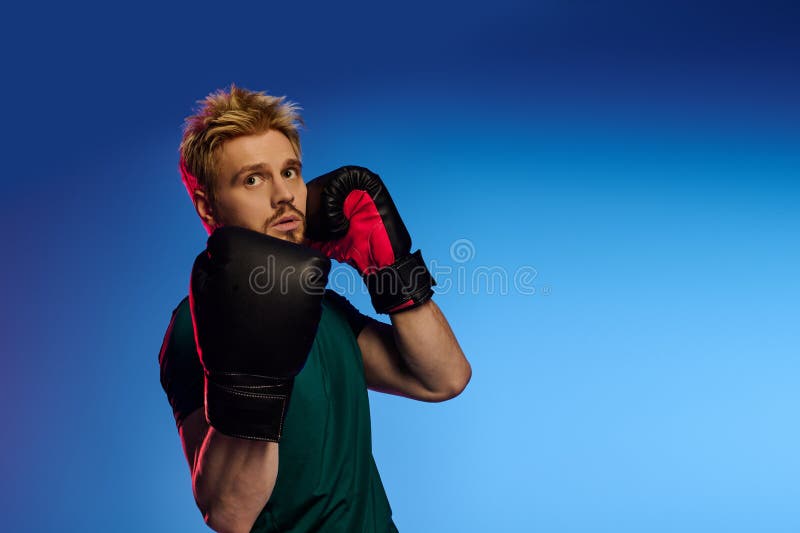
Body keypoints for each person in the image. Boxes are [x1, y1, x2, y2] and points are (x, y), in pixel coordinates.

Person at [158, 84, 472, 533]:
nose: (284, 195)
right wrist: (255, 375)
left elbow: (442, 378)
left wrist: (388, 269)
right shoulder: (193, 327)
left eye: (289, 172)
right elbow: (228, 513)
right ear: (207, 206)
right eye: (253, 178)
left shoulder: (323, 306)